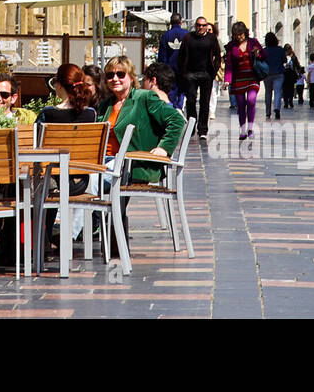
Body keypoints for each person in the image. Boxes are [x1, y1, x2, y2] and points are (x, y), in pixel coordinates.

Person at [98, 55, 185, 256]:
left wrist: (164, 148)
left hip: (131, 164)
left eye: (120, 74)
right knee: (74, 182)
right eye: (110, 75)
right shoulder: (105, 105)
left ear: (131, 77)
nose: (115, 79)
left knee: (95, 184)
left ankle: (98, 239)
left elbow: (176, 122)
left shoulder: (144, 98)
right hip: (105, 162)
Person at [38, 64, 98, 247]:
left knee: (41, 183)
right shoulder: (90, 114)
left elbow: (36, 147)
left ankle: (43, 240)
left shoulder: (48, 113)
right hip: (80, 182)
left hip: (53, 182)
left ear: (58, 85)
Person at [178, 15, 222, 142]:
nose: (200, 28)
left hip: (206, 74)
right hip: (191, 74)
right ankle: (191, 127)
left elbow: (218, 55)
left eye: (203, 25)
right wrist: (184, 73)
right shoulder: (188, 38)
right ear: (195, 26)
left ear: (206, 26)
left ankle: (202, 130)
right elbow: (181, 56)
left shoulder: (211, 38)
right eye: (198, 25)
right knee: (191, 101)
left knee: (205, 103)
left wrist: (213, 72)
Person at [224, 22, 266, 141]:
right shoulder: (231, 46)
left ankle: (250, 128)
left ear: (245, 33)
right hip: (238, 79)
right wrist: (227, 80)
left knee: (251, 100)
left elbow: (264, 55)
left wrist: (258, 54)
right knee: (241, 105)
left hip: (252, 77)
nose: (239, 38)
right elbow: (229, 65)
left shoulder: (253, 42)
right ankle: (243, 129)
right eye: (237, 35)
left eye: (241, 35)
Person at [158, 13, 189, 82]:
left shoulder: (165, 36)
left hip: (169, 70)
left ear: (171, 22)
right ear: (181, 22)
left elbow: (162, 56)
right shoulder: (187, 34)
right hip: (184, 69)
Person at [263, 33, 287, 120]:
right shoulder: (280, 49)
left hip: (267, 74)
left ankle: (268, 112)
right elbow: (284, 60)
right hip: (279, 73)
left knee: (268, 93)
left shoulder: (264, 50)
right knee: (278, 92)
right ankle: (277, 108)